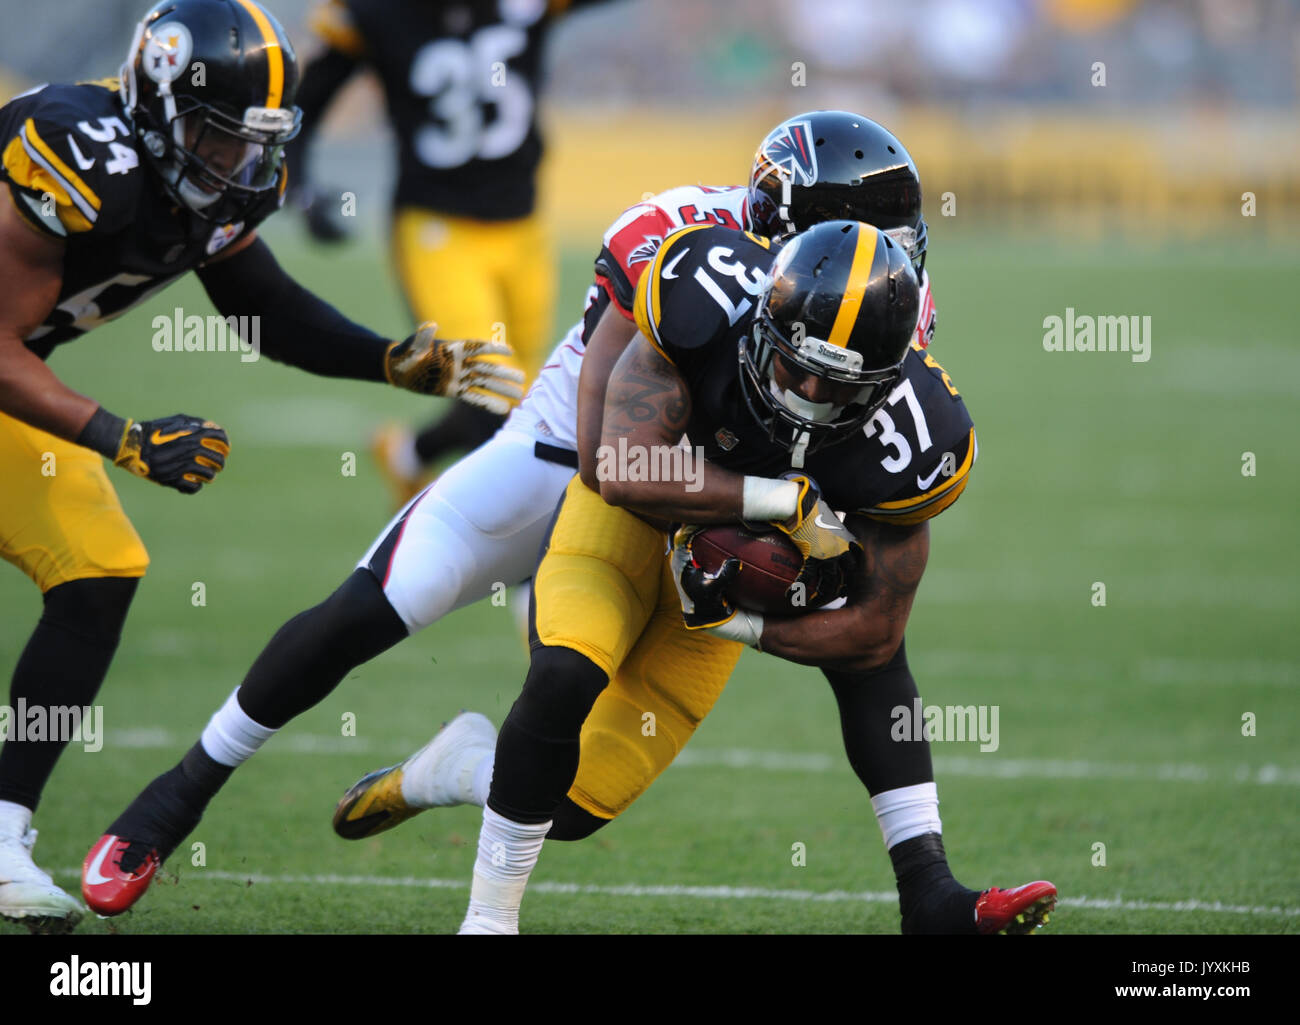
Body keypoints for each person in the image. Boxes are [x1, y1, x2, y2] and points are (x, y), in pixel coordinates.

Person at [78, 112, 989, 932]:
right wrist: (772, 505)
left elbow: (859, 548)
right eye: (864, 237)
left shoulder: (874, 306)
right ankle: (177, 796)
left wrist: (789, 563)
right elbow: (611, 451)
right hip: (573, 451)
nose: (883, 262)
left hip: (702, 485)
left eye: (891, 242)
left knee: (582, 798)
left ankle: (924, 882)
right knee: (378, 603)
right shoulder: (681, 243)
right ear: (780, 231)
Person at [0, 0, 518, 934]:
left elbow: (261, 307)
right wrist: (119, 432)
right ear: (159, 106)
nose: (234, 161)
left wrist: (387, 358)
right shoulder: (81, 151)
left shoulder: (207, 187)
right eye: (215, 136)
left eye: (250, 142)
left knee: (97, 567)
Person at [410, 216, 1055, 935]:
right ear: (763, 319)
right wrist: (779, 498)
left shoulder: (916, 432)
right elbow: (619, 466)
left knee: (571, 808)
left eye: (836, 384)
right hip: (633, 515)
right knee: (567, 669)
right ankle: (489, 920)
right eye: (794, 363)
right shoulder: (705, 299)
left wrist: (742, 620)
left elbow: (876, 633)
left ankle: (928, 891)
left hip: (718, 580)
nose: (807, 391)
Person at [285, 0, 621, 506]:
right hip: (438, 227)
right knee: (491, 390)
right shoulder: (377, 12)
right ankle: (516, 563)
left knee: (529, 399)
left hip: (523, 225)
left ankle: (409, 455)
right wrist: (299, 185)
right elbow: (309, 99)